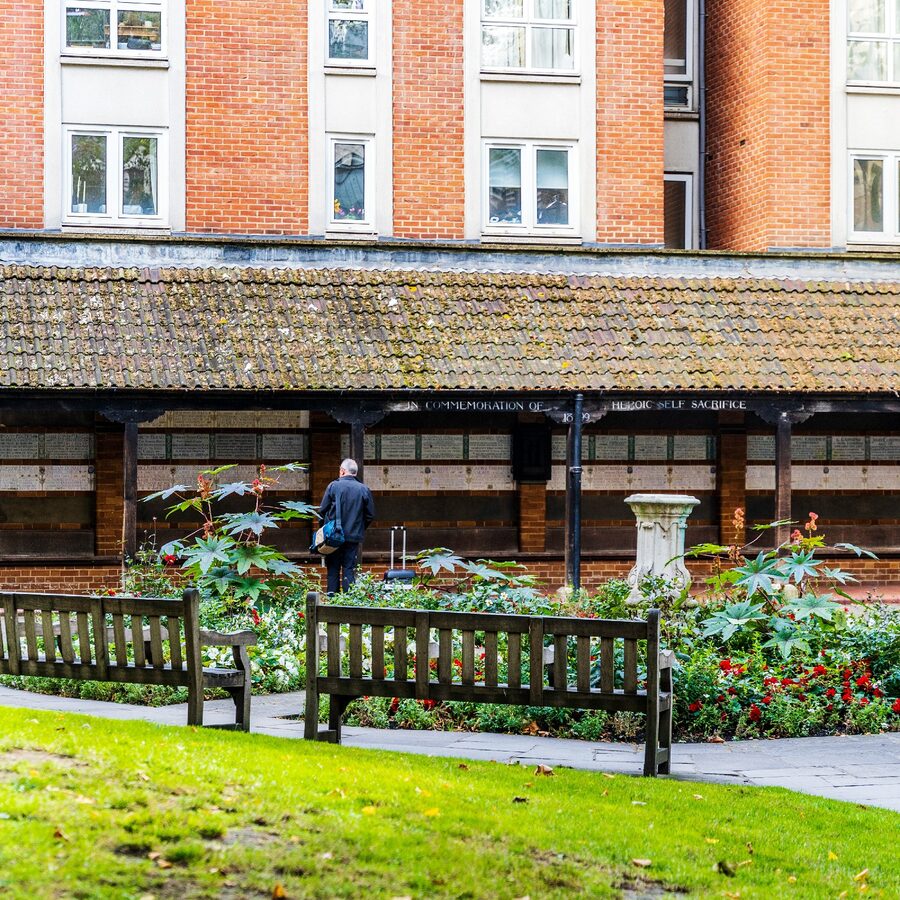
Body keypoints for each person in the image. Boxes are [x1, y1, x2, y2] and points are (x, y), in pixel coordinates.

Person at [319, 458, 375, 594]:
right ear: (355, 472)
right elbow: (370, 515)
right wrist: (359, 528)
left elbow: (322, 511)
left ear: (342, 471)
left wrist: (325, 529)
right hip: (353, 537)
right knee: (348, 568)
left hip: (333, 536)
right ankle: (348, 602)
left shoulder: (333, 486)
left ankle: (332, 603)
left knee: (333, 568)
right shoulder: (364, 489)